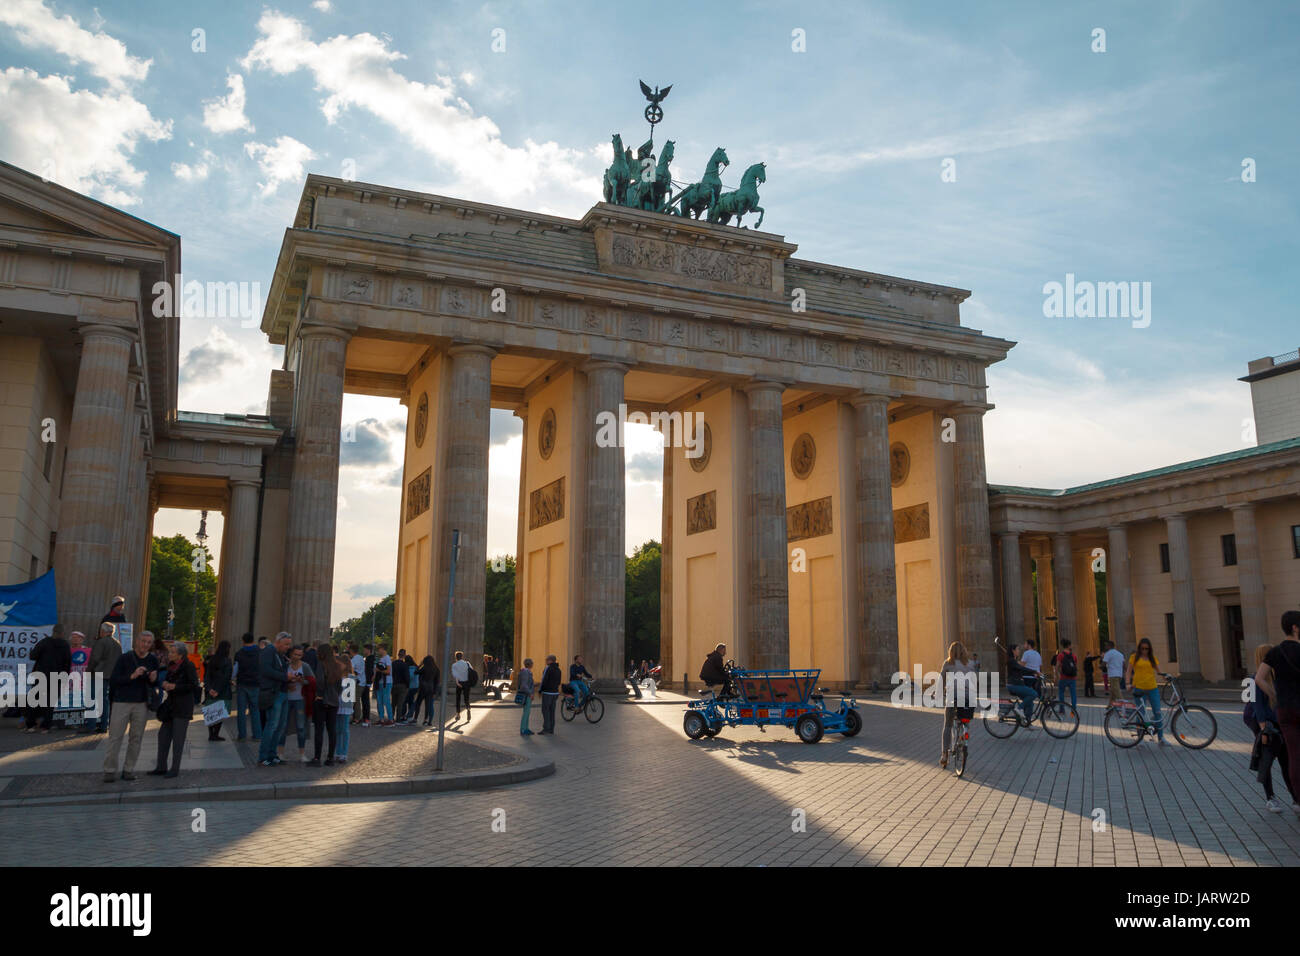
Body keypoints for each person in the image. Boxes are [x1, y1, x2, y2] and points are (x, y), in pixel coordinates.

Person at [1256, 611, 1300, 808]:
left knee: (1294, 755)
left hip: (1285, 710)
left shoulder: (1274, 652)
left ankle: (1298, 800)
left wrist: (1274, 695)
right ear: (1295, 627)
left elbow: (1259, 678)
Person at [1245, 643, 1296, 813]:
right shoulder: (1255, 679)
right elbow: (1257, 706)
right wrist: (1263, 731)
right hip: (1263, 724)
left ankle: (1295, 798)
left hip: (1278, 723)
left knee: (1286, 759)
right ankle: (1270, 798)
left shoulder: (1277, 678)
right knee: (1266, 760)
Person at [102, 631, 158, 782]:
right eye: (142, 641)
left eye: (148, 642)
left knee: (136, 738)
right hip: (122, 701)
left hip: (142, 703)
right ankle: (109, 770)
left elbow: (154, 684)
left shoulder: (153, 660)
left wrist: (153, 679)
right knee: (115, 737)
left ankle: (128, 769)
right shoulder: (124, 658)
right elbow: (114, 680)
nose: (145, 645)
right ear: (136, 642)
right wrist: (132, 676)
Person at [148, 641, 199, 778]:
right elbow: (165, 680)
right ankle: (161, 766)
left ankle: (174, 769)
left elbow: (194, 685)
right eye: (169, 651)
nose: (169, 654)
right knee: (163, 736)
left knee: (178, 739)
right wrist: (164, 683)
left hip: (183, 707)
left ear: (180, 655)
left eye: (172, 652)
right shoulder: (171, 665)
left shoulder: (188, 666)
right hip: (170, 706)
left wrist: (175, 687)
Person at [25, 623, 72, 733]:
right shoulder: (65, 645)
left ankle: (30, 726)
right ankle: (45, 727)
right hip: (57, 676)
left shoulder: (44, 642)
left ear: (53, 631)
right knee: (50, 703)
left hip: (41, 675)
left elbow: (32, 656)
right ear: (62, 633)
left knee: (34, 700)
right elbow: (68, 663)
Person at [940, 641, 977, 769]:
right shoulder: (971, 664)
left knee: (948, 725)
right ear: (964, 652)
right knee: (965, 720)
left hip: (953, 697)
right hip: (968, 698)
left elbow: (941, 680)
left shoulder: (948, 663)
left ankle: (945, 754)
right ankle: (963, 738)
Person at [257, 633, 292, 766]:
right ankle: (263, 756)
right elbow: (266, 670)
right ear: (278, 642)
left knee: (280, 726)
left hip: (282, 692)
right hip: (273, 693)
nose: (288, 647)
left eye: (289, 644)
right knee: (272, 725)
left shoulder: (280, 655)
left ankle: (272, 754)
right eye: (286, 644)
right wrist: (285, 677)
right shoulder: (268, 652)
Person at [1125, 637, 1166, 744]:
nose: (1144, 651)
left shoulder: (1152, 658)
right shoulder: (1134, 657)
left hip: (1152, 688)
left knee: (1158, 712)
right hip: (1139, 688)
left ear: (1149, 649)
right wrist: (1128, 683)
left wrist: (1166, 677)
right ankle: (1140, 738)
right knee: (1141, 714)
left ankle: (1161, 738)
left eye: (1146, 649)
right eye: (1142, 649)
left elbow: (1159, 671)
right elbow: (1128, 671)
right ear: (1139, 648)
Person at [84, 621, 122, 734]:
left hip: (98, 673)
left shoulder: (101, 642)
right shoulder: (117, 643)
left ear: (103, 631)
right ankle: (104, 726)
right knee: (105, 701)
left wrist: (89, 670)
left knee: (91, 699)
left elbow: (94, 659)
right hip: (110, 675)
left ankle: (90, 726)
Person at [281, 646, 314, 761]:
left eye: (299, 655)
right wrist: (288, 685)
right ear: (291, 654)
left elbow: (311, 681)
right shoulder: (285, 666)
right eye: (295, 654)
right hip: (287, 699)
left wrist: (302, 681)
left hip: (300, 699)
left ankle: (302, 754)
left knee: (301, 726)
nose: (297, 657)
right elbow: (280, 680)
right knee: (283, 726)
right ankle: (280, 753)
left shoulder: (305, 666)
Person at [310, 644, 341, 766]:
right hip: (334, 701)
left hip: (322, 700)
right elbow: (340, 685)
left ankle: (317, 758)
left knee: (319, 730)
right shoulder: (337, 665)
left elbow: (320, 681)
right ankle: (330, 758)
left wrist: (320, 694)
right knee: (332, 730)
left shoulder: (321, 664)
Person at [233, 632, 262, 741]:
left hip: (242, 683)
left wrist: (232, 678)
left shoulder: (239, 653)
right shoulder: (259, 652)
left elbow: (235, 669)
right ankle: (257, 735)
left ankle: (242, 735)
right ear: (253, 640)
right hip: (255, 683)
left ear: (243, 641)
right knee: (255, 710)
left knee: (241, 710)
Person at [202, 639, 233, 741]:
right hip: (223, 691)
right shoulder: (228, 661)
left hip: (211, 691)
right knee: (220, 713)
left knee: (211, 712)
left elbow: (207, 676)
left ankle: (211, 734)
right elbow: (226, 677)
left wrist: (210, 688)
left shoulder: (212, 660)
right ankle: (216, 734)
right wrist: (218, 691)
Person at [1004, 642, 1039, 726]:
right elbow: (1022, 668)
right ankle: (1019, 708)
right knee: (1034, 694)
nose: (1019, 651)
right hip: (1014, 685)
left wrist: (1033, 674)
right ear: (1013, 651)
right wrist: (1034, 671)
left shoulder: (1014, 661)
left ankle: (1027, 722)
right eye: (1018, 649)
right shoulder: (1011, 661)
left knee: (1030, 702)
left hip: (1018, 684)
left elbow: (1021, 672)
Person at [336, 656, 355, 764]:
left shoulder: (351, 678)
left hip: (346, 707)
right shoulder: (336, 677)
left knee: (344, 730)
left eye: (339, 663)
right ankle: (337, 752)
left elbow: (350, 696)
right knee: (337, 730)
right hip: (336, 705)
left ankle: (344, 753)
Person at [538, 654, 561, 734]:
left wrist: (540, 691)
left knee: (545, 710)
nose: (546, 661)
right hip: (555, 692)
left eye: (546, 660)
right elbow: (559, 682)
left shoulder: (548, 668)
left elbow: (544, 680)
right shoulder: (558, 669)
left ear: (550, 660)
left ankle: (546, 728)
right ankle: (551, 729)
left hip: (547, 692)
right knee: (552, 711)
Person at [1054, 639, 1079, 709]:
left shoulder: (1060, 655)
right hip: (1072, 678)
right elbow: (1075, 666)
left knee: (1061, 693)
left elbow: (1057, 667)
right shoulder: (1073, 655)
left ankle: (1062, 709)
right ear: (1068, 646)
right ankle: (1073, 710)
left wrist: (1057, 675)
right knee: (1073, 694)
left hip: (1063, 677)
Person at [416, 655, 440, 726]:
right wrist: (435, 691)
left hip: (423, 688)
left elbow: (416, 672)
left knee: (418, 704)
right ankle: (427, 720)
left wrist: (420, 665)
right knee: (428, 705)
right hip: (431, 689)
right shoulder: (436, 669)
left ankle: (415, 718)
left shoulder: (424, 668)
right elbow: (437, 681)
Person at [349, 644, 369, 725]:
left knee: (355, 700)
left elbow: (352, 669)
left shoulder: (354, 659)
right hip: (363, 681)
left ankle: (356, 718)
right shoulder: (361, 657)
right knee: (358, 700)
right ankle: (357, 717)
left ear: (351, 650)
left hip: (358, 681)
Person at [374, 646, 393, 725]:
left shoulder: (387, 658)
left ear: (383, 649)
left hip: (387, 682)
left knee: (386, 701)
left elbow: (388, 671)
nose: (378, 651)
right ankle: (381, 719)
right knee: (379, 701)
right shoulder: (381, 659)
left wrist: (379, 670)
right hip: (380, 682)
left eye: (379, 649)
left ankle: (390, 719)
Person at [391, 648, 410, 725]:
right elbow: (407, 677)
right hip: (402, 685)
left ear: (398, 655)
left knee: (393, 703)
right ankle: (398, 719)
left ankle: (391, 717)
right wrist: (407, 685)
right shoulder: (405, 665)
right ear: (404, 655)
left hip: (394, 684)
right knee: (400, 703)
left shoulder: (393, 663)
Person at [451, 650, 473, 721]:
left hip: (459, 683)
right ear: (462, 657)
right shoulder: (467, 663)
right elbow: (472, 671)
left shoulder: (454, 665)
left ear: (456, 657)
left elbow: (455, 675)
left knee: (458, 699)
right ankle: (468, 709)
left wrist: (457, 683)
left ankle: (458, 714)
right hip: (467, 683)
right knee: (466, 698)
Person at [516, 658, 535, 736]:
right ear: (531, 664)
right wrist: (530, 693)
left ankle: (526, 728)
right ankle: (523, 729)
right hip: (526, 695)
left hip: (527, 694)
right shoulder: (526, 672)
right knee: (526, 713)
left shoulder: (525, 671)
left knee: (527, 712)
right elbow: (524, 685)